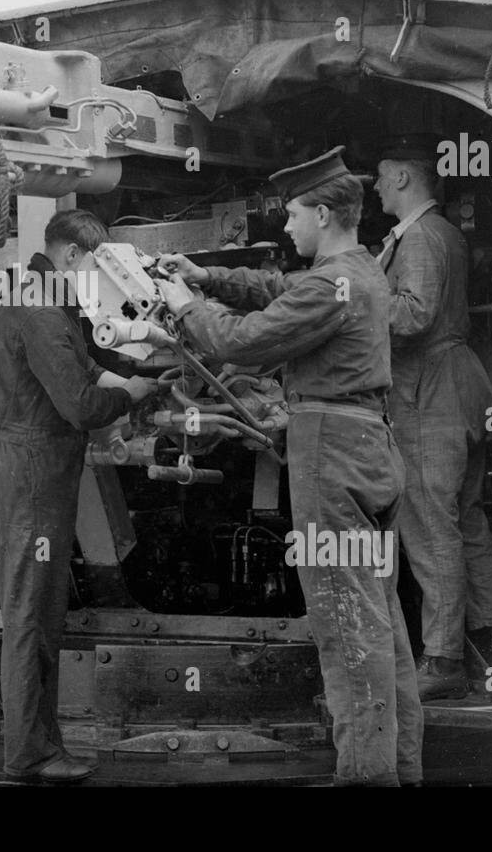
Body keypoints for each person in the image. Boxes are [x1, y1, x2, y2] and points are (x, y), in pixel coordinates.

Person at [156, 147, 424, 787]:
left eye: (294, 215)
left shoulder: (338, 284)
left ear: (325, 214)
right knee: (379, 623)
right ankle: (399, 770)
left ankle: (365, 778)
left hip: (331, 452)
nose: (286, 228)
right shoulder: (356, 271)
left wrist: (183, 305)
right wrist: (208, 278)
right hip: (365, 447)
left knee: (344, 622)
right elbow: (283, 291)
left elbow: (239, 343)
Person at [0, 210, 160, 783]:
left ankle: (36, 744)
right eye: (97, 269)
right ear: (74, 257)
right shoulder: (42, 311)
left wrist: (144, 375)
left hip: (34, 469)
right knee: (32, 615)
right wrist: (131, 395)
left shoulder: (44, 299)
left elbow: (86, 364)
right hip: (32, 474)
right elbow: (81, 403)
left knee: (37, 613)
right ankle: (29, 753)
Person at [373, 137, 492, 698]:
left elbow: (412, 316)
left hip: (430, 393)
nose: (377, 185)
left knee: (430, 524)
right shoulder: (442, 234)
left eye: (383, 175)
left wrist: (352, 299)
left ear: (407, 178)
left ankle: (442, 659)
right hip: (460, 387)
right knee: (465, 517)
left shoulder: (423, 236)